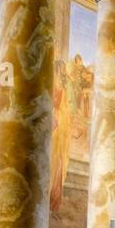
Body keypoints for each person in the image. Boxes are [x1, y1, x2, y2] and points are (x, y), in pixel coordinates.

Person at [50, 58, 71, 214]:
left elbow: (64, 111)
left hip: (57, 128)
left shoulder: (61, 87)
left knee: (57, 162)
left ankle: (52, 200)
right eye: (63, 68)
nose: (64, 71)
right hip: (54, 127)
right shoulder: (54, 85)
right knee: (53, 160)